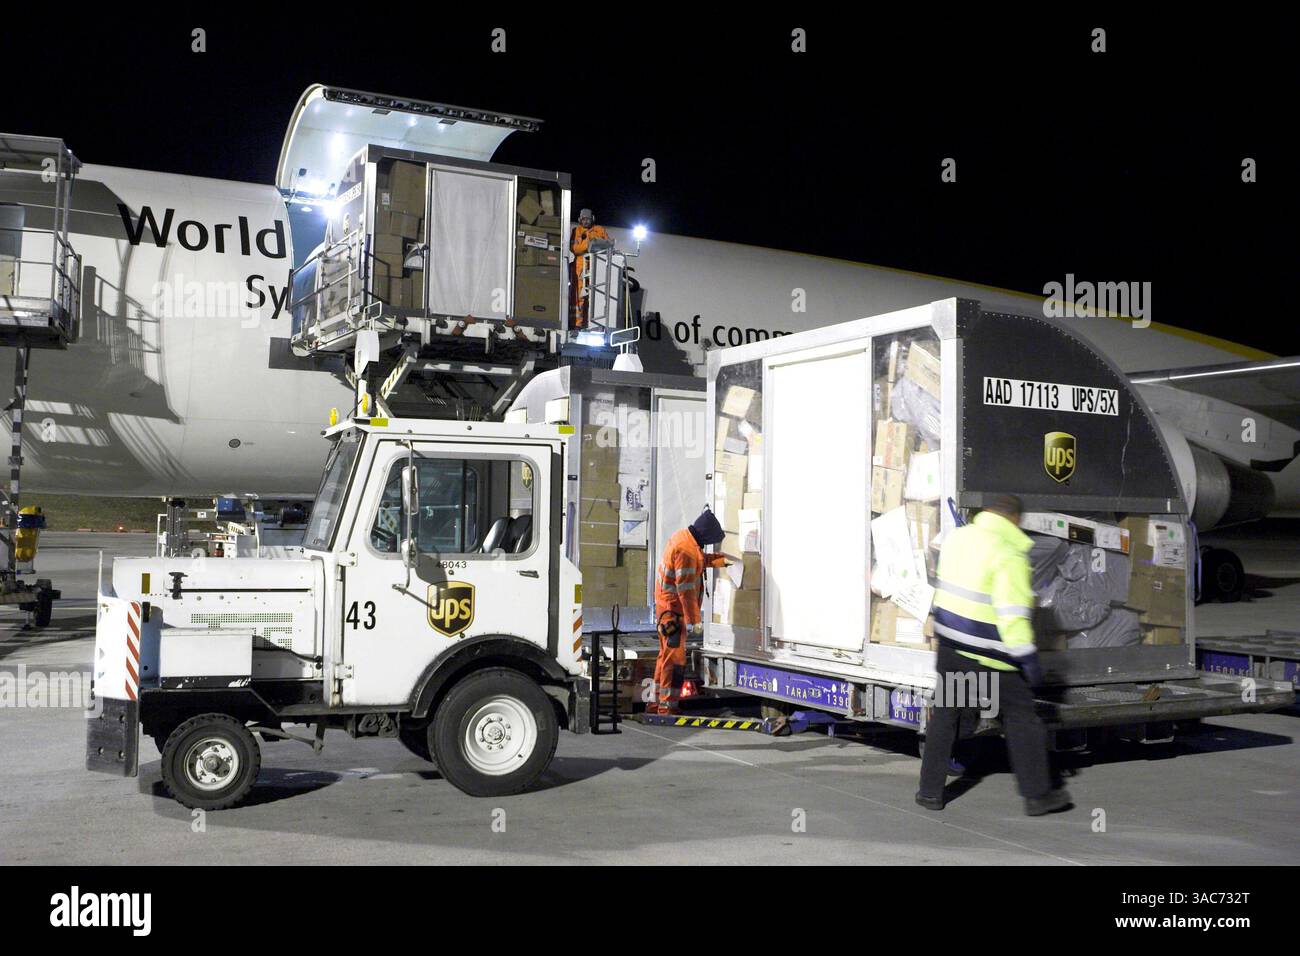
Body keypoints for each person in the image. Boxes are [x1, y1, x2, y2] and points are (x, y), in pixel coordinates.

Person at [916, 493, 1072, 816]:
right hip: (989, 655)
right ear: (1014, 519)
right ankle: (1038, 796)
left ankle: (929, 792)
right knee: (1021, 716)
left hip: (951, 647)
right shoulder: (1009, 553)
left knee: (946, 714)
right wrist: (1028, 662)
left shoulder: (957, 539)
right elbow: (1012, 616)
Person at [650, 508, 730, 715]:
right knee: (675, 660)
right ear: (705, 535)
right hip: (673, 614)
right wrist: (695, 621)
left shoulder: (684, 538)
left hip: (666, 610)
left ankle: (655, 701)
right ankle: (667, 706)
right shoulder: (686, 550)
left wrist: (722, 560)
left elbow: (700, 560)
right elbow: (685, 591)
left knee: (665, 657)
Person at [569, 208, 610, 327]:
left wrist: (597, 244)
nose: (586, 221)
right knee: (579, 297)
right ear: (580, 220)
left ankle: (595, 324)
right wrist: (588, 244)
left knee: (597, 295)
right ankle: (577, 324)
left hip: (598, 265)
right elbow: (574, 249)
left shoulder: (600, 230)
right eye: (583, 219)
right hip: (580, 267)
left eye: (588, 219)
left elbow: (608, 245)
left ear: (592, 218)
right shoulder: (576, 231)